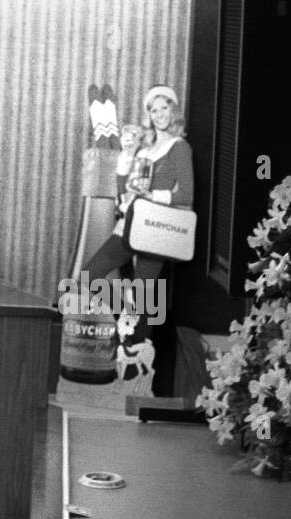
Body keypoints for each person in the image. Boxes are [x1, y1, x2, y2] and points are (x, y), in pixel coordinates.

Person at [82, 84, 194, 354]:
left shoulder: (180, 147)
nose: (159, 115)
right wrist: (124, 182)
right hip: (130, 223)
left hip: (156, 226)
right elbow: (125, 184)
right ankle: (124, 326)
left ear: (174, 110)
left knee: (143, 295)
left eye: (164, 107)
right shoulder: (144, 145)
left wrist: (151, 195)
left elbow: (186, 193)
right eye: (153, 110)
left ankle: (135, 361)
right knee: (91, 274)